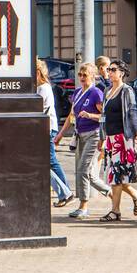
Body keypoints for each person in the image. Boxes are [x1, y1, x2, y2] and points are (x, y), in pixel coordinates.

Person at [55, 61, 108, 219]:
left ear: (92, 76)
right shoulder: (77, 93)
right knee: (88, 175)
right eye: (80, 74)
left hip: (94, 135)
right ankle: (113, 194)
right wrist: (60, 134)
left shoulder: (96, 93)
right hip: (79, 136)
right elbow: (71, 117)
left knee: (83, 170)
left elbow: (104, 116)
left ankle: (83, 206)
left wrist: (90, 115)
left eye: (85, 74)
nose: (82, 77)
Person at [97, 59, 137, 222]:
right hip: (110, 139)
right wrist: (102, 137)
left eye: (113, 69)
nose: (109, 72)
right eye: (109, 69)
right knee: (115, 175)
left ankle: (115, 211)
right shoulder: (107, 91)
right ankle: (136, 195)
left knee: (116, 176)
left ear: (121, 73)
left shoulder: (126, 90)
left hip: (123, 138)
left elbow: (132, 113)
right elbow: (103, 116)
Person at [37, 60, 73, 207]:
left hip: (46, 128)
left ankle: (65, 192)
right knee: (50, 162)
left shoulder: (43, 88)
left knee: (48, 162)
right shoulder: (41, 87)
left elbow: (40, 108)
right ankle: (65, 192)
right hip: (46, 127)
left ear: (38, 73)